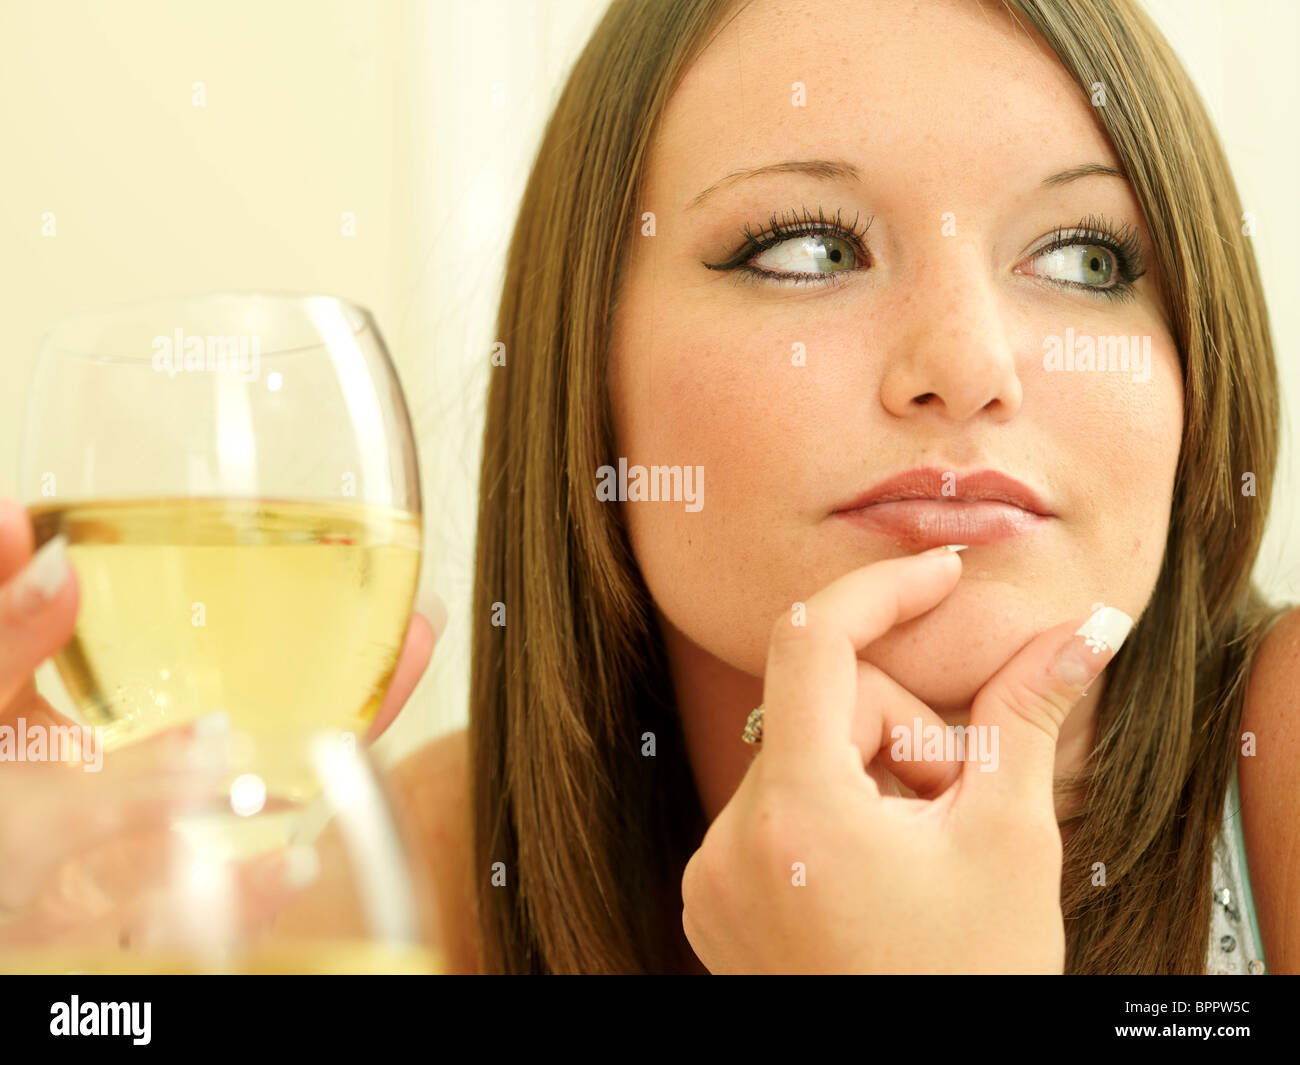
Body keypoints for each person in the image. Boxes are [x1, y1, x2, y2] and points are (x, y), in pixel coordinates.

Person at [1, 0, 1295, 974]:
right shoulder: (421, 872)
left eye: (1082, 254)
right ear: (590, 365)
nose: (968, 362)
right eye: (806, 246)